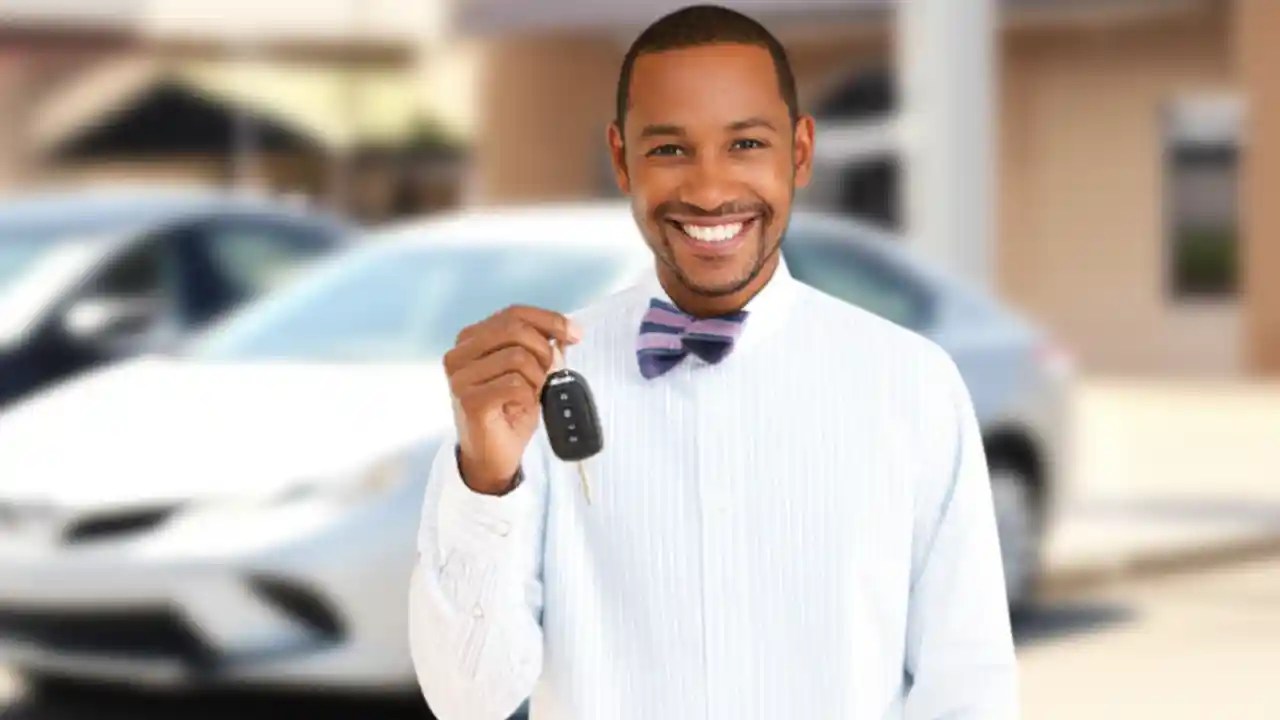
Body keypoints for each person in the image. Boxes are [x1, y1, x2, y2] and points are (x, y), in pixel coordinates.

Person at [408, 5, 1018, 719]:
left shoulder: (913, 387)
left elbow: (966, 687)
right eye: (669, 150)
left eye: (746, 144)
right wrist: (485, 479)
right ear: (620, 158)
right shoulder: (535, 392)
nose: (708, 189)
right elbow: (466, 701)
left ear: (799, 151)